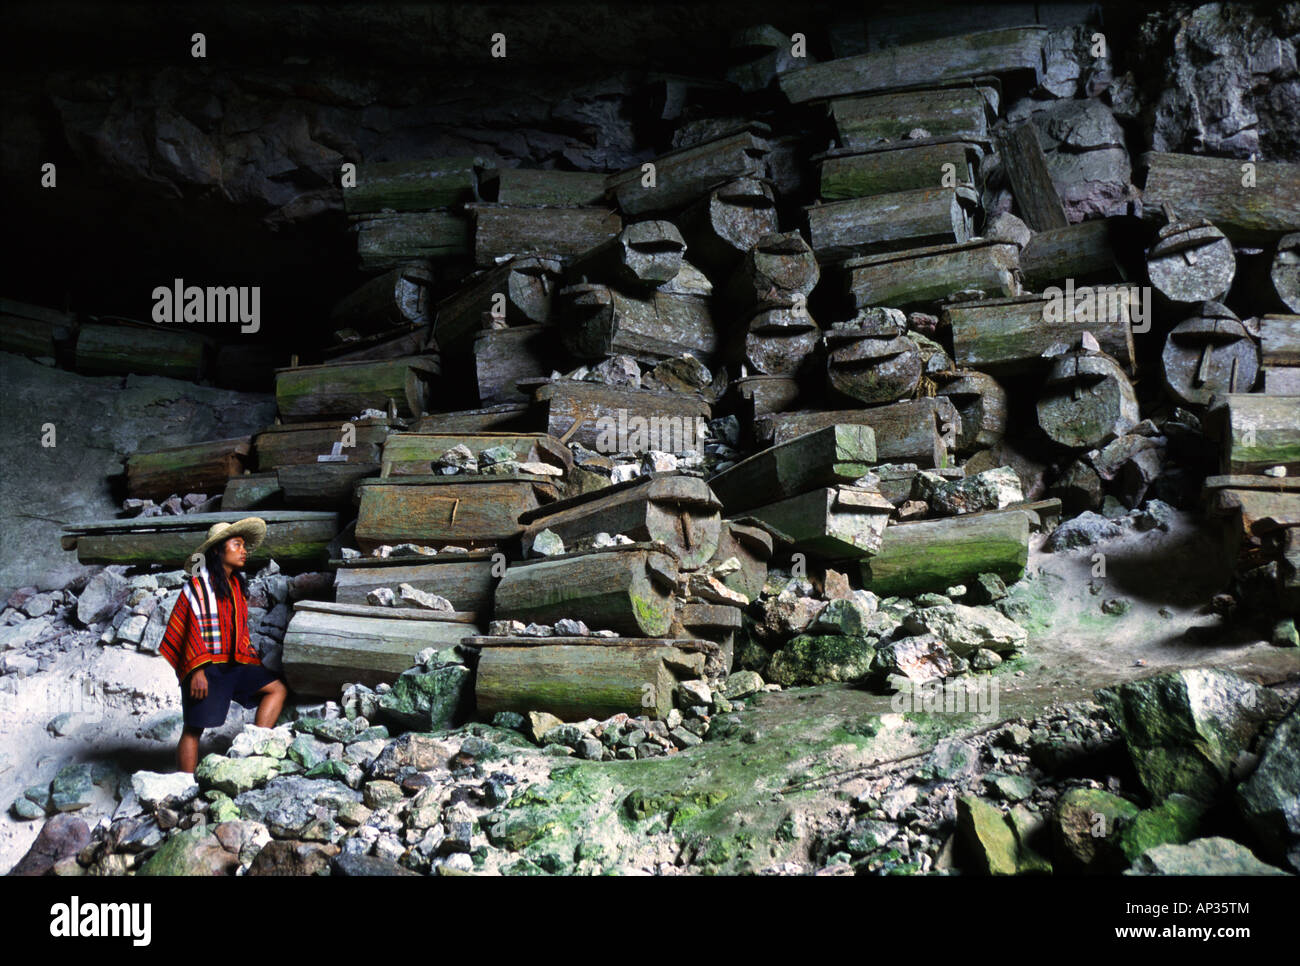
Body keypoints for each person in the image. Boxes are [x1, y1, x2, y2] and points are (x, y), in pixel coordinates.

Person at [157, 517, 289, 773]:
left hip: (235, 662)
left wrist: (248, 658)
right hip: (205, 668)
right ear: (218, 550)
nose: (244, 551)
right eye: (237, 545)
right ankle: (184, 785)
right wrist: (196, 671)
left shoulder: (236, 585)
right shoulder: (197, 585)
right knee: (194, 728)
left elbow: (237, 630)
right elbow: (188, 630)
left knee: (276, 689)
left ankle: (254, 753)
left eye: (244, 546)